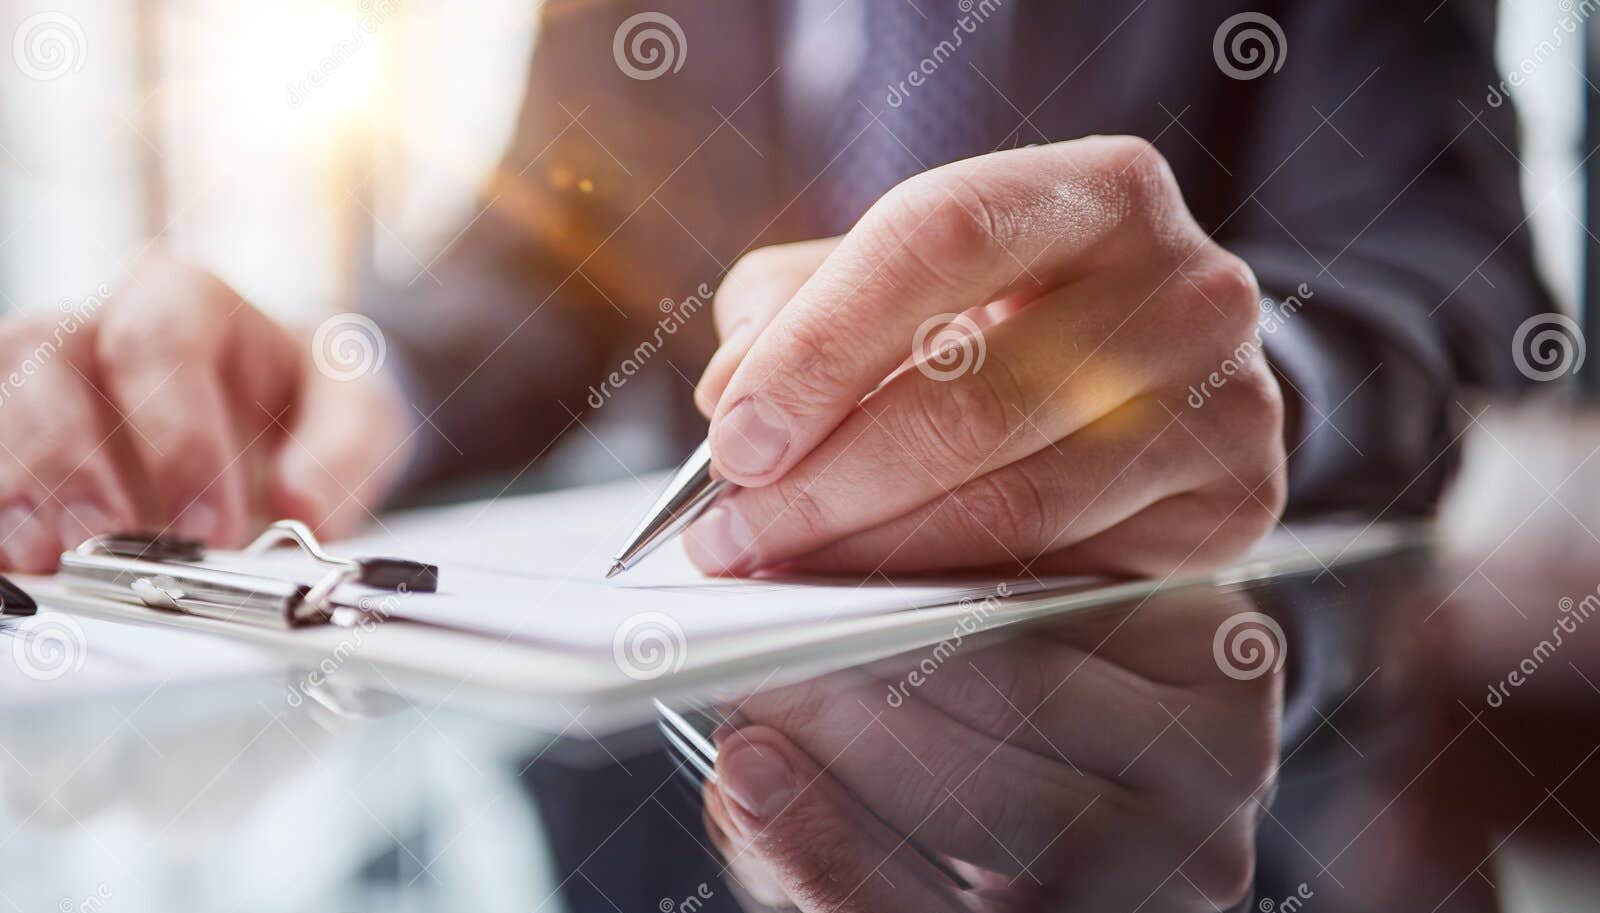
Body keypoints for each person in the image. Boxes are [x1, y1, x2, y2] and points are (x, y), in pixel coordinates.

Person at [0, 0, 1552, 578]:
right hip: (675, 851)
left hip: (1247, 836)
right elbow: (546, 258)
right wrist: (345, 378)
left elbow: (1453, 290)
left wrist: (1252, 375)